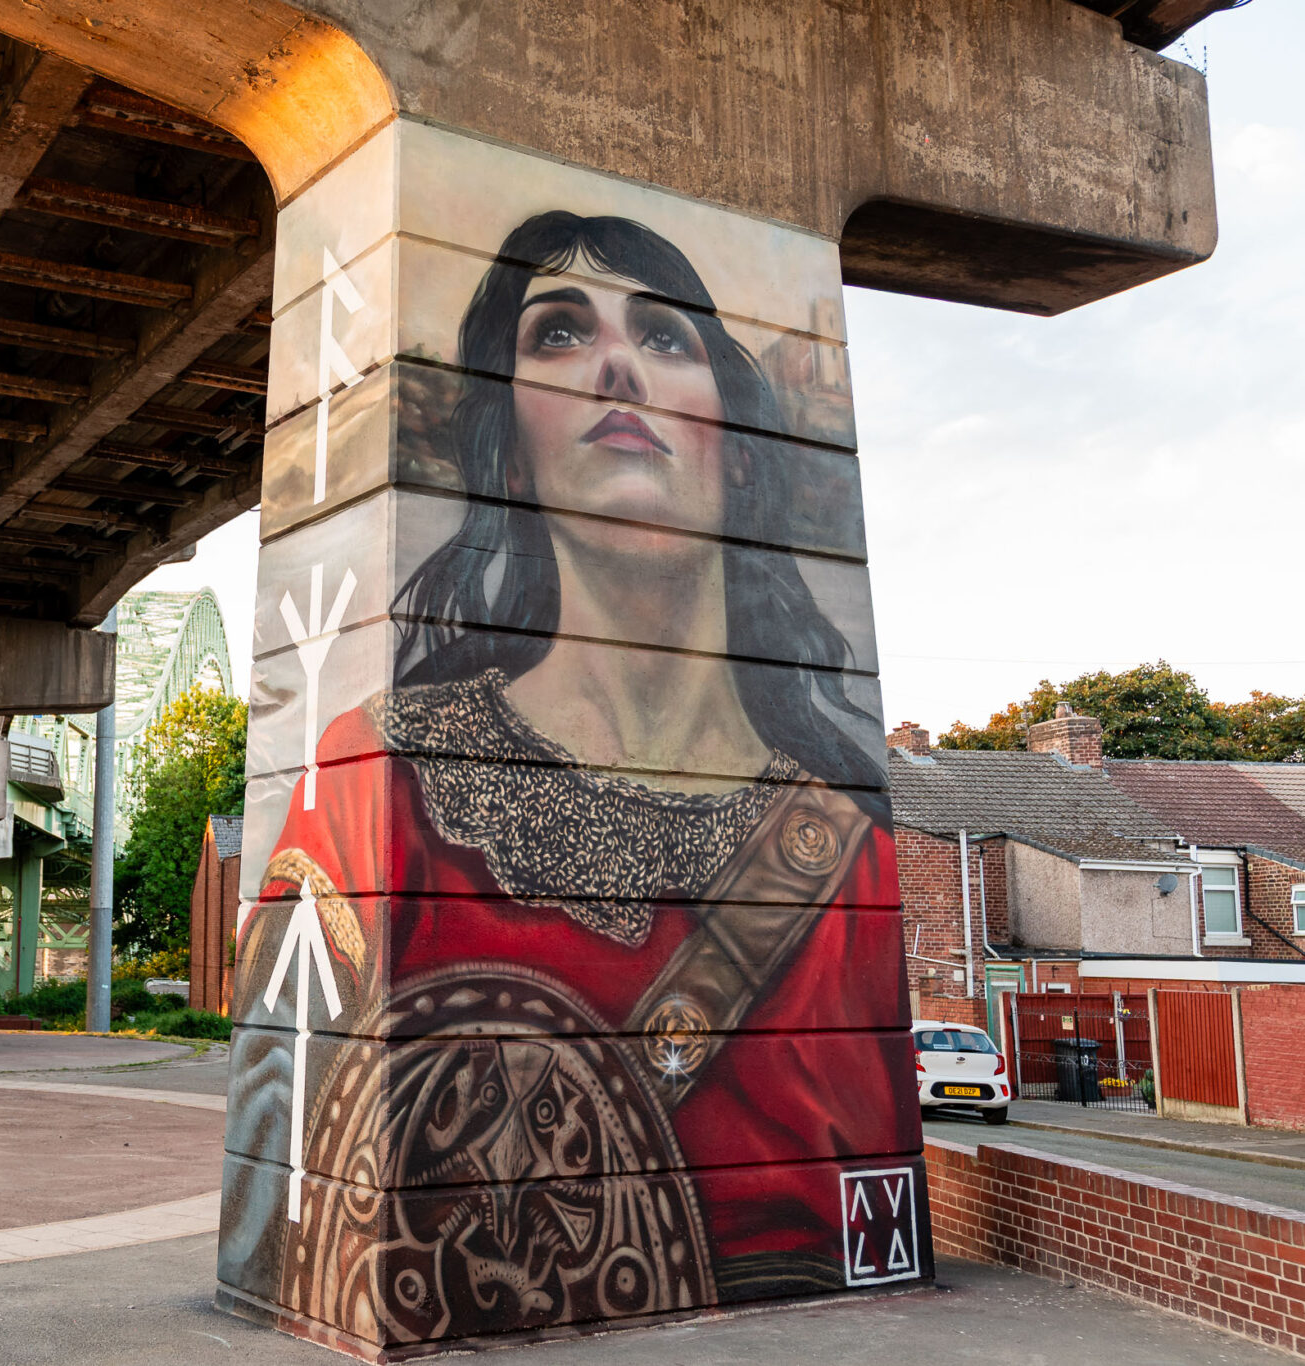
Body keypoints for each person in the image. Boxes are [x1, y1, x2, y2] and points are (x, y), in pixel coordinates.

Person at [225, 212, 914, 1342]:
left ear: (734, 447)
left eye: (666, 337)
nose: (615, 365)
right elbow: (277, 1175)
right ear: (506, 447)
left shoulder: (851, 855)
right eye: (556, 333)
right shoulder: (373, 777)